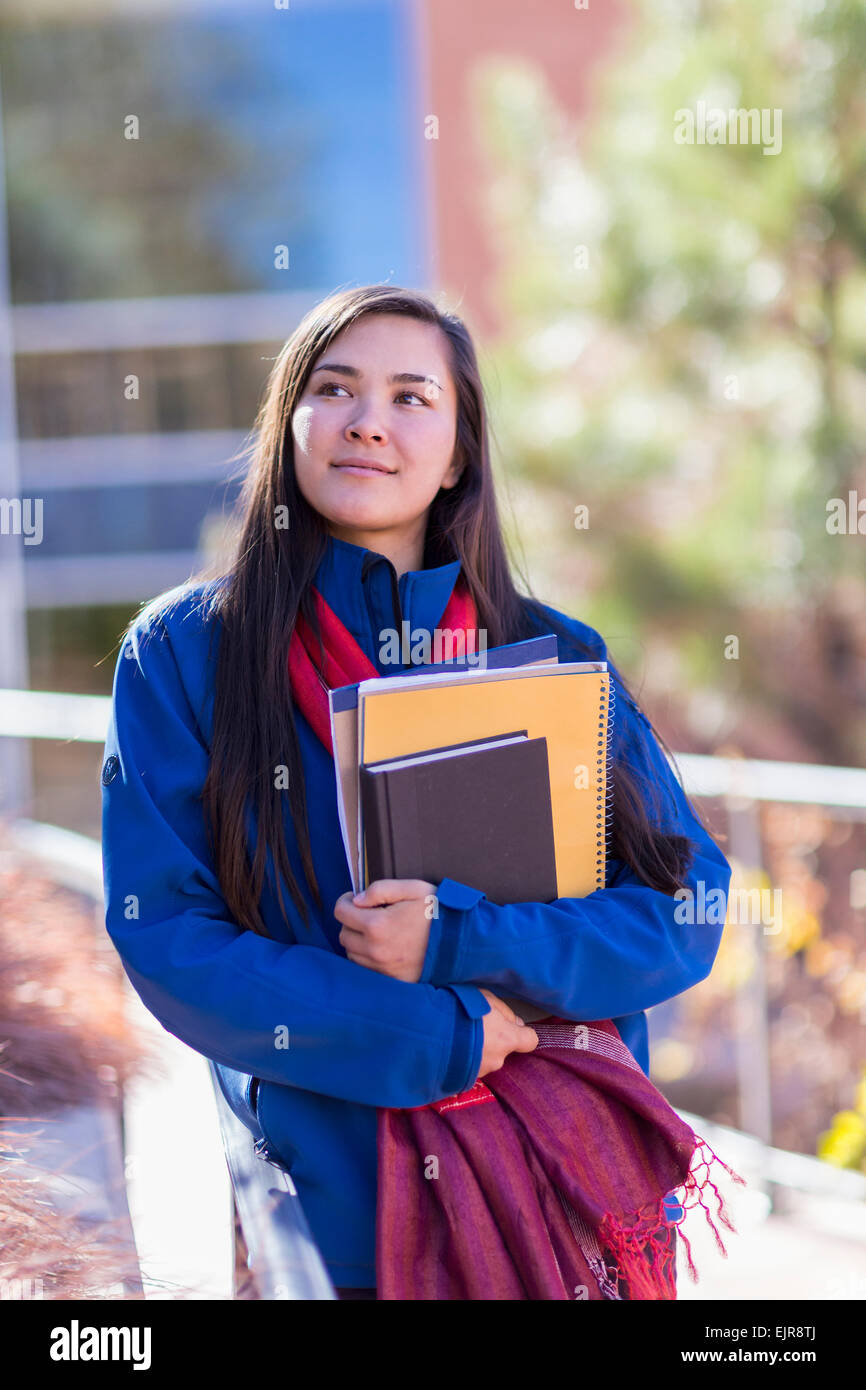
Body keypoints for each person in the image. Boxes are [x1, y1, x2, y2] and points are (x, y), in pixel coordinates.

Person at [100, 285, 731, 1299]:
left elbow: (679, 912)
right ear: (290, 422)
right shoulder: (187, 652)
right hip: (327, 1198)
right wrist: (430, 1034)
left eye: (410, 396)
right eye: (335, 388)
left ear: (460, 450)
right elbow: (171, 939)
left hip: (565, 1194)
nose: (367, 423)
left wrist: (455, 943)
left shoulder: (554, 657)